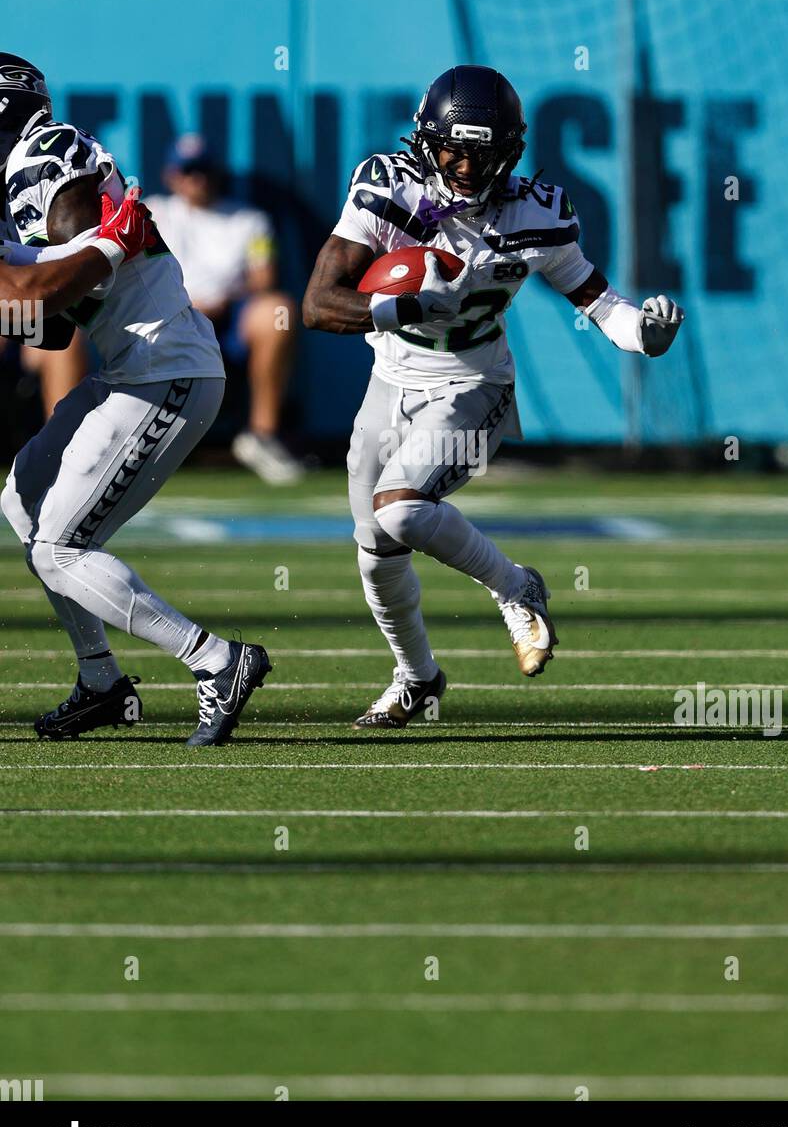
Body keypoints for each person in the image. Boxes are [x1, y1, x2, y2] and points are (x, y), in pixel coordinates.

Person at [302, 64, 684, 729]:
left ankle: (514, 585)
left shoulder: (539, 212)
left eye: (482, 153)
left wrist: (643, 334)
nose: (466, 168)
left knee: (401, 511)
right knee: (375, 552)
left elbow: (596, 299)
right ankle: (416, 678)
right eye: (453, 150)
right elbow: (317, 305)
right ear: (426, 142)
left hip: (474, 384)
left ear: (510, 152)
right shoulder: (387, 187)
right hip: (389, 377)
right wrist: (407, 307)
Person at [0, 54, 271, 747]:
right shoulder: (21, 176)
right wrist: (95, 257)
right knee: (21, 499)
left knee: (61, 546)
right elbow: (50, 324)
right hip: (132, 367)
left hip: (164, 369)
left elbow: (41, 297)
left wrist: (99, 254)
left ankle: (218, 661)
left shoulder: (46, 158)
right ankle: (102, 683)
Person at [149, 135, 301, 484]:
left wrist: (225, 296)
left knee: (280, 312)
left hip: (229, 316)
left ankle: (261, 434)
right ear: (172, 175)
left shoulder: (249, 219)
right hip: (166, 313)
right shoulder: (153, 213)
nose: (196, 180)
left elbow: (265, 277)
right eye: (188, 171)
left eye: (202, 171)